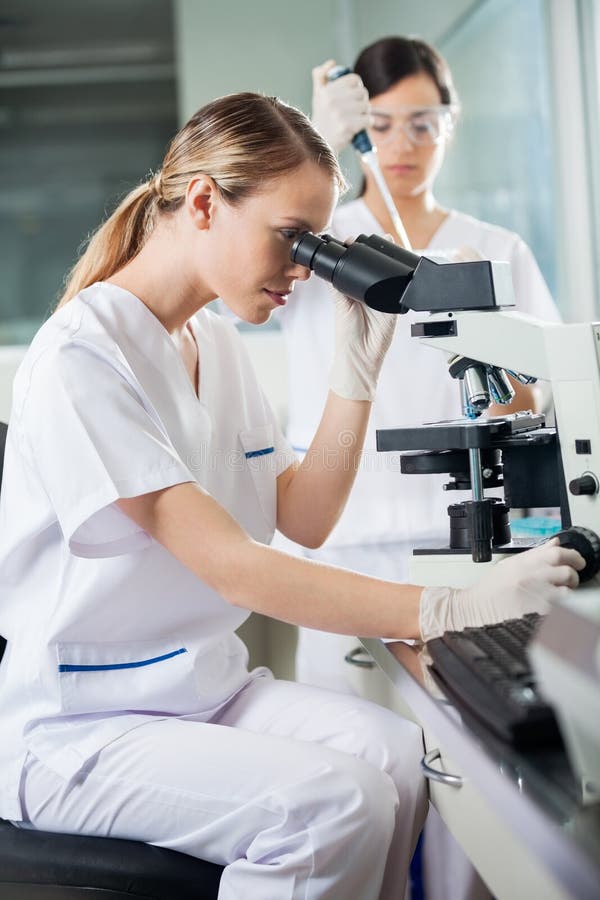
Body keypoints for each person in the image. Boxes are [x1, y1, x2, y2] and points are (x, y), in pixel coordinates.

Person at [0, 92, 582, 900]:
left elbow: (305, 516)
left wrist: (354, 377)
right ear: (204, 203)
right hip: (80, 728)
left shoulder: (214, 343)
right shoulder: (83, 358)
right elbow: (233, 568)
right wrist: (448, 609)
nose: (305, 267)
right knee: (331, 807)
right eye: (291, 236)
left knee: (399, 759)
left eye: (315, 243)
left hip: (204, 693)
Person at [276, 36, 562, 697]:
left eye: (423, 125)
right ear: (355, 130)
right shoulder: (315, 237)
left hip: (468, 545)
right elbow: (223, 294)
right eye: (379, 125)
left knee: (466, 737)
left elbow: (535, 399)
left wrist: (494, 346)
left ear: (449, 126)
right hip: (338, 547)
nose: (402, 145)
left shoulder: (495, 248)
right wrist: (309, 148)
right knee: (352, 743)